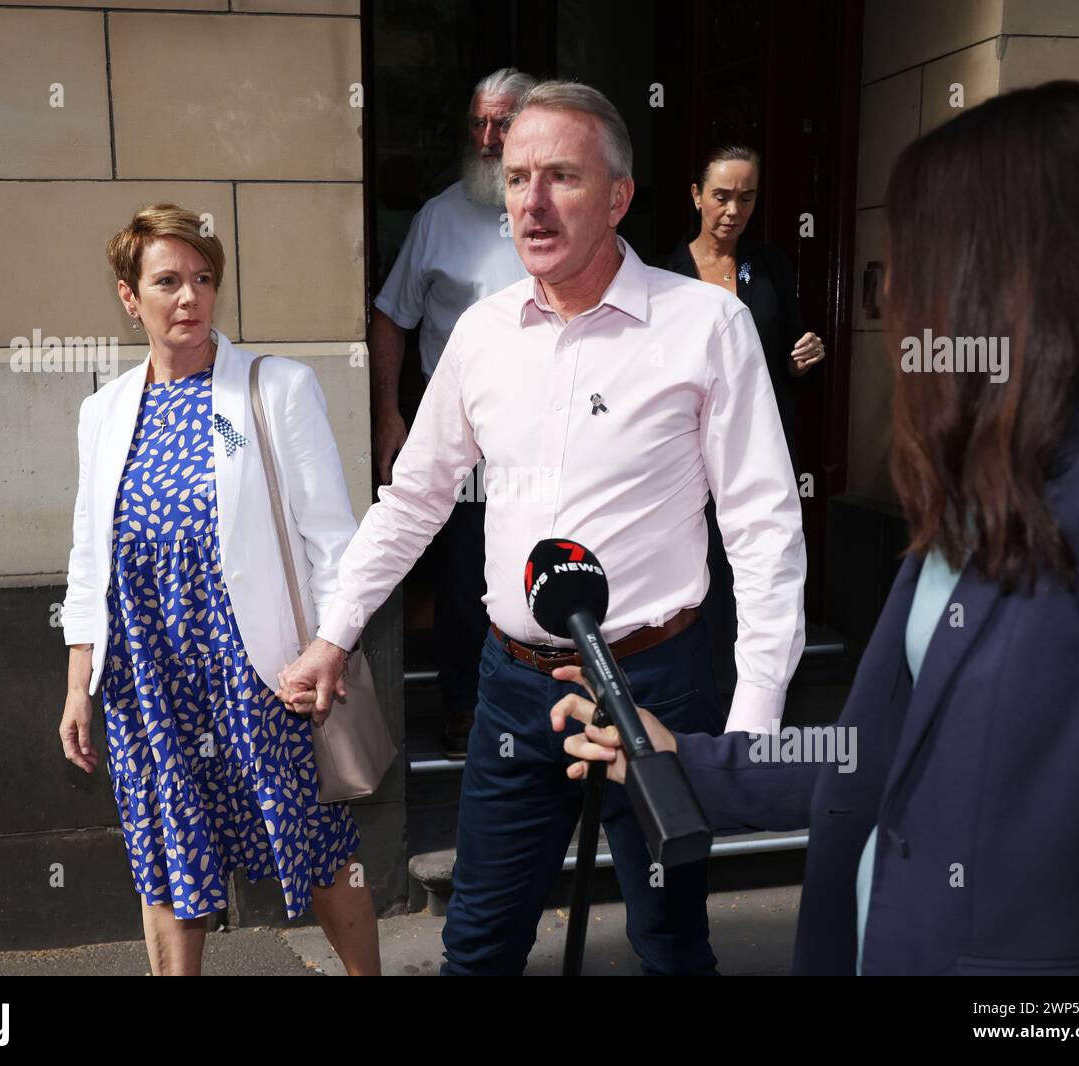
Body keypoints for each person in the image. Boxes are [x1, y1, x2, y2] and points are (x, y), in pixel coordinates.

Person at [553, 80, 1079, 975]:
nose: (896, 290)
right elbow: (871, 751)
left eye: (921, 252)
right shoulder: (983, 490)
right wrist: (692, 759)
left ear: (1015, 274)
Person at [281, 82, 805, 975]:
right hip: (515, 689)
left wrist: (748, 730)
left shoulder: (706, 325)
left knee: (671, 942)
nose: (530, 200)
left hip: (656, 689)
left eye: (561, 175)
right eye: (517, 176)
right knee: (478, 943)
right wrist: (336, 634)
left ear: (618, 198)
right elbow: (414, 499)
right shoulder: (482, 336)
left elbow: (762, 528)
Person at [57, 203, 380, 976]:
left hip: (261, 677)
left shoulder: (275, 391)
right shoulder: (103, 413)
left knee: (321, 851)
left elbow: (333, 542)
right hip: (148, 682)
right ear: (129, 297)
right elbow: (87, 554)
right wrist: (78, 684)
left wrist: (325, 652)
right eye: (167, 281)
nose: (189, 297)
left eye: (203, 279)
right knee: (169, 858)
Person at [370, 67, 536, 756]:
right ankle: (465, 705)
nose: (489, 138)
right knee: (468, 569)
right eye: (480, 123)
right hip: (462, 429)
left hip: (547, 426)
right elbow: (390, 317)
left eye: (504, 123)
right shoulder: (438, 217)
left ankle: (547, 699)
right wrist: (388, 415)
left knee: (543, 560)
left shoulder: (555, 213)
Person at [665, 145, 825, 448]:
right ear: (697, 195)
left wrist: (805, 356)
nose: (734, 211)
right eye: (722, 197)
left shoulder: (771, 266)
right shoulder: (664, 274)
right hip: (688, 440)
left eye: (746, 198)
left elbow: (790, 358)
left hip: (760, 436)